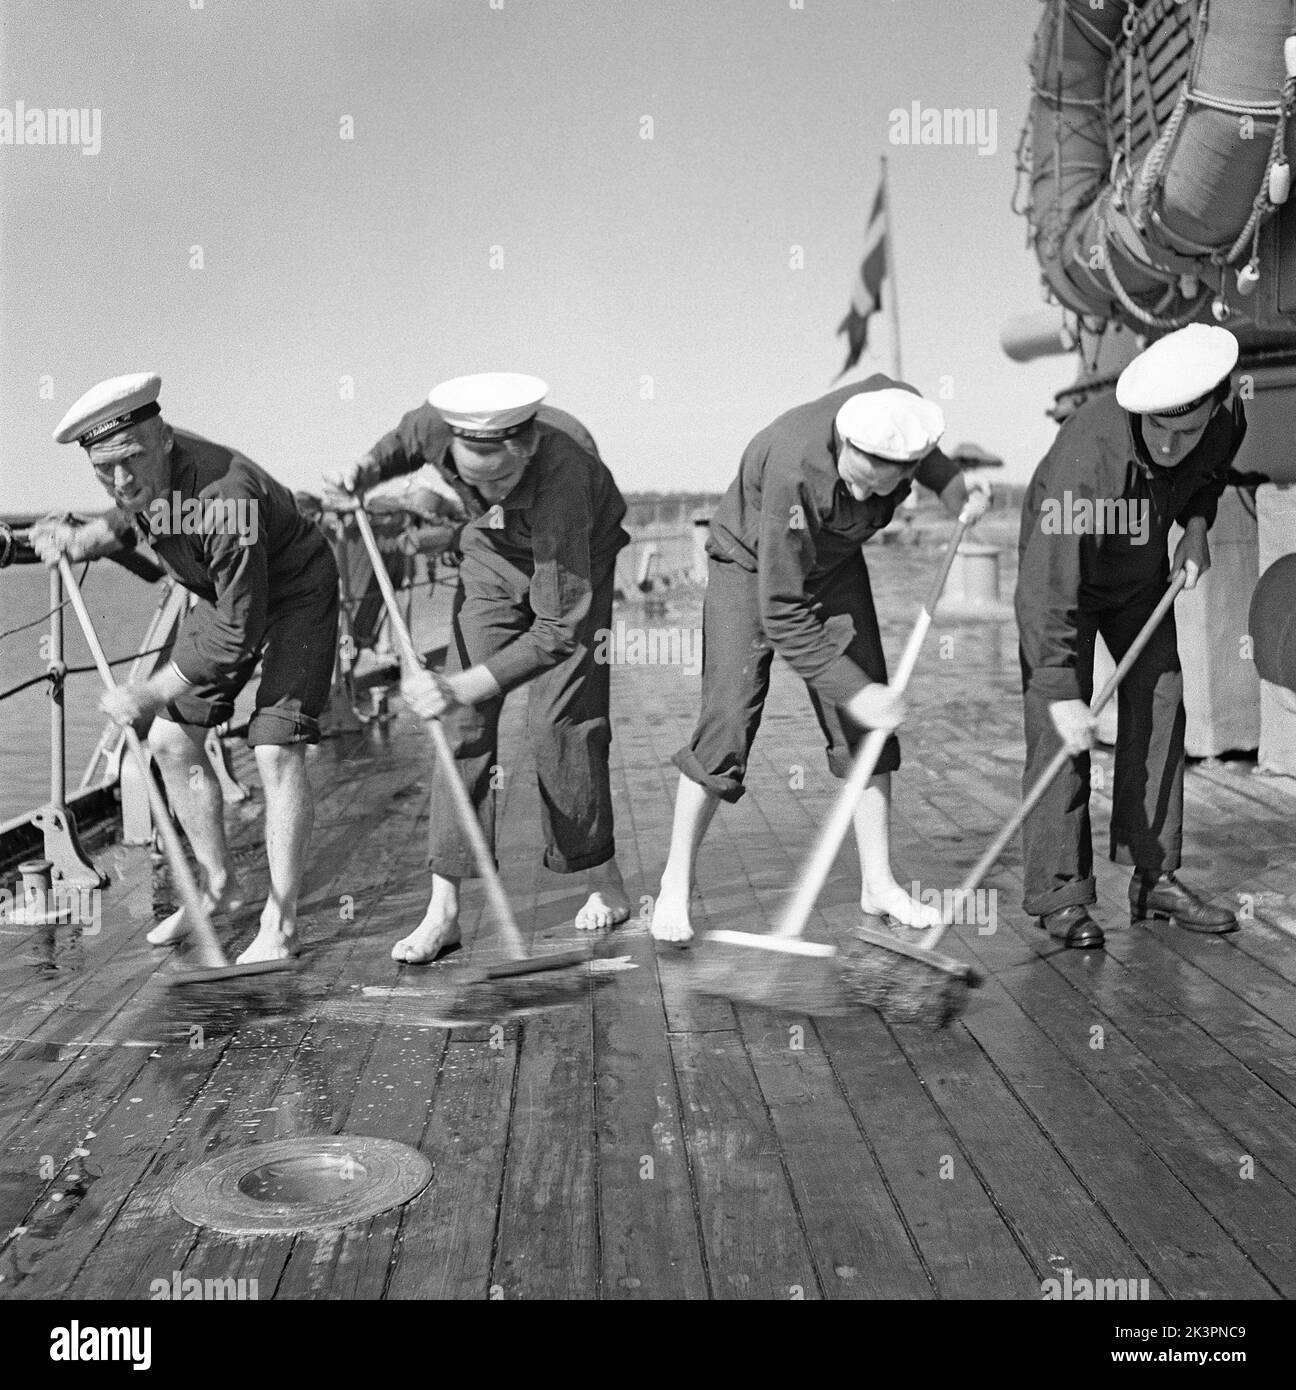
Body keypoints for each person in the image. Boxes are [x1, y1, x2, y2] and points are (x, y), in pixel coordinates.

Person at [651, 377, 987, 945]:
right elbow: (782, 613)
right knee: (727, 723)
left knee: (866, 730)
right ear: (845, 445)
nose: (860, 497)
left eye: (876, 490)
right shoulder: (794, 469)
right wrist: (856, 689)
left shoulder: (899, 413)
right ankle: (673, 884)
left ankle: (878, 884)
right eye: (854, 482)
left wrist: (957, 494)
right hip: (751, 567)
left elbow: (931, 460)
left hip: (833, 568)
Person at [34, 372, 338, 963]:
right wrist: (87, 535)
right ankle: (220, 888)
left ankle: (282, 924)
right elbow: (137, 510)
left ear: (165, 438)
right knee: (173, 742)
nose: (121, 479)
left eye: (131, 459)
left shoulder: (226, 498)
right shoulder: (144, 476)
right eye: (104, 468)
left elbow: (236, 632)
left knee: (276, 747)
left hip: (295, 592)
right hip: (225, 597)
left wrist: (147, 693)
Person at [327, 373, 632, 962]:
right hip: (491, 558)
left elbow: (557, 630)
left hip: (573, 566)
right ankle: (444, 912)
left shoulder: (564, 477)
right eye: (473, 477)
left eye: (501, 478)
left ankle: (604, 880)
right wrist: (360, 472)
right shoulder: (436, 426)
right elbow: (400, 443)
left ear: (527, 447)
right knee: (461, 728)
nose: (487, 488)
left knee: (562, 725)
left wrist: (458, 683)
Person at [1015, 323, 1248, 949]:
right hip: (1067, 576)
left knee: (1163, 697)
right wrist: (1062, 690)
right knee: (1058, 728)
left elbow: (1208, 475)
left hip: (1140, 574)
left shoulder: (1226, 417)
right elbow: (1046, 590)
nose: (1172, 446)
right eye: (1158, 431)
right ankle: (1060, 895)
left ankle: (1155, 877)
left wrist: (1196, 527)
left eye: (1187, 432)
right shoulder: (1086, 455)